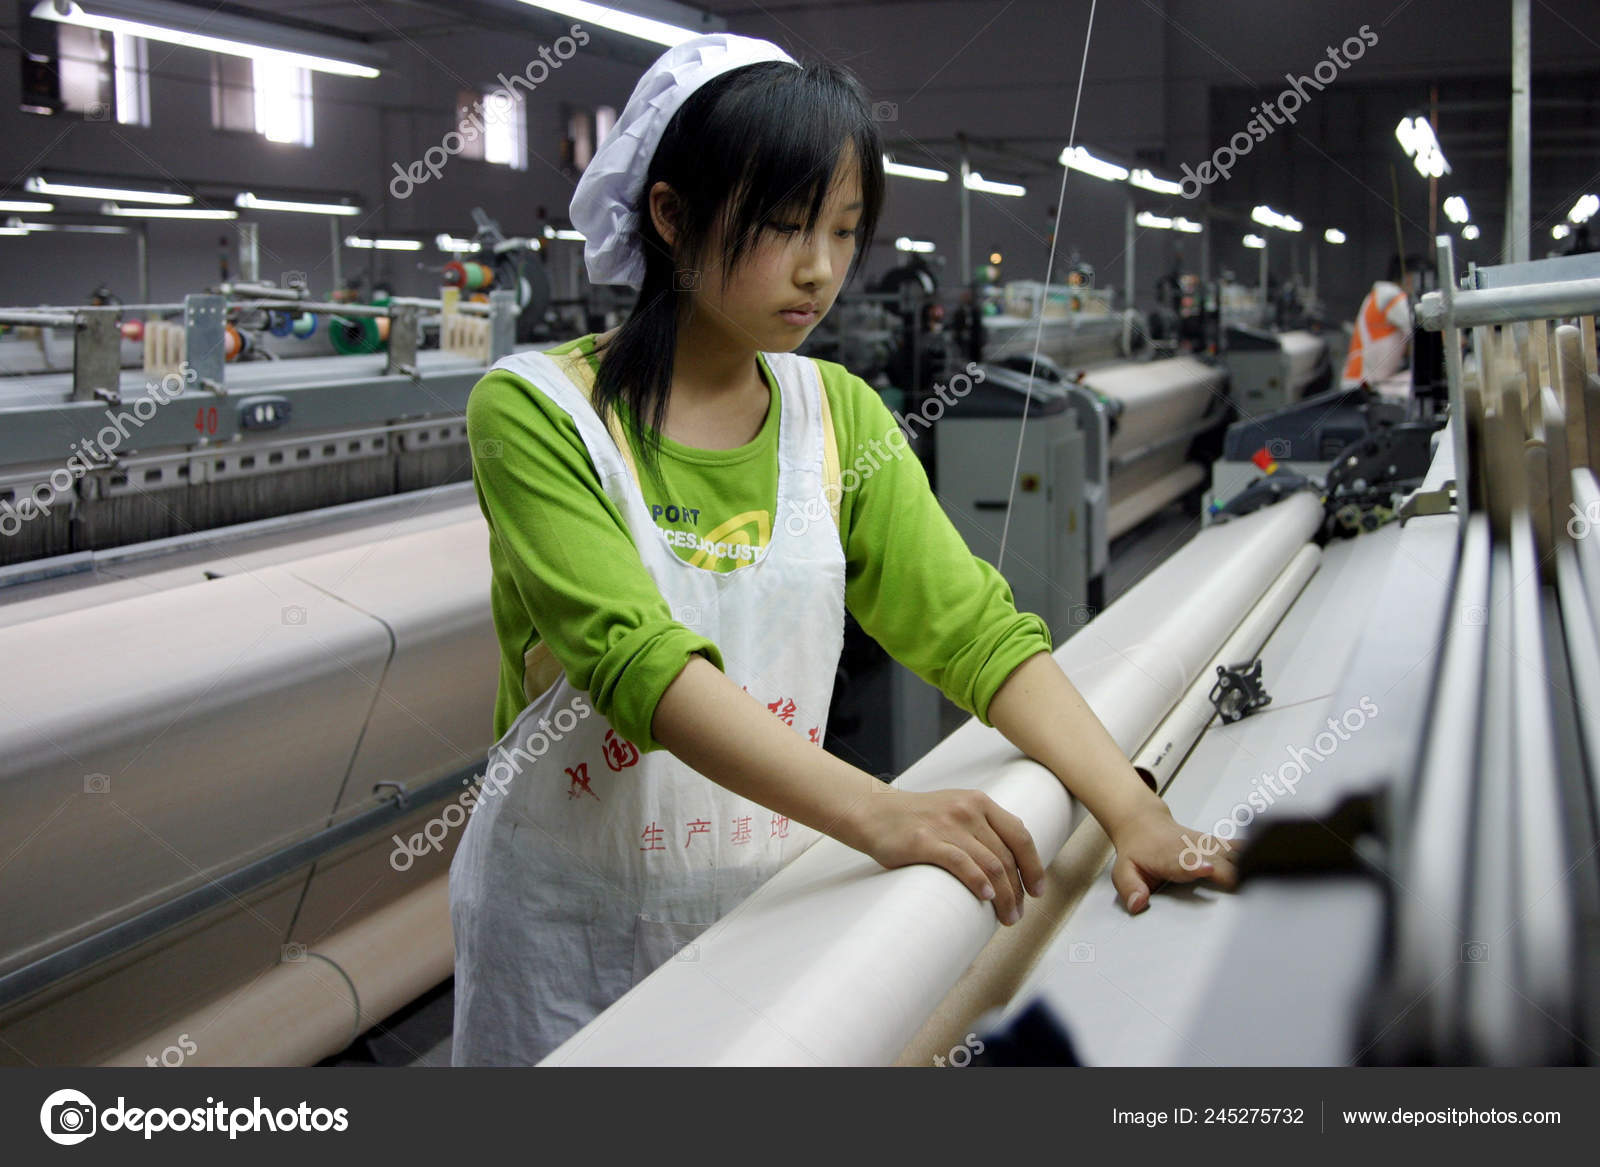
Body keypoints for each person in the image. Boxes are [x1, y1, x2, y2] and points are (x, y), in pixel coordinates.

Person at [448, 33, 1237, 1067]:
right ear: (671, 215)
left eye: (844, 229)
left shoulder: (837, 416)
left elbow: (971, 630)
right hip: (571, 933)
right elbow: (639, 664)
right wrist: (880, 811)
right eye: (783, 225)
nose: (819, 268)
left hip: (769, 901)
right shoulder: (537, 412)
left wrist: (1131, 810)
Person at [1341, 277, 1412, 390]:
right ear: (1408, 277)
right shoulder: (1388, 294)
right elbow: (1418, 326)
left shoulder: (1378, 296)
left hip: (1370, 382)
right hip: (1363, 385)